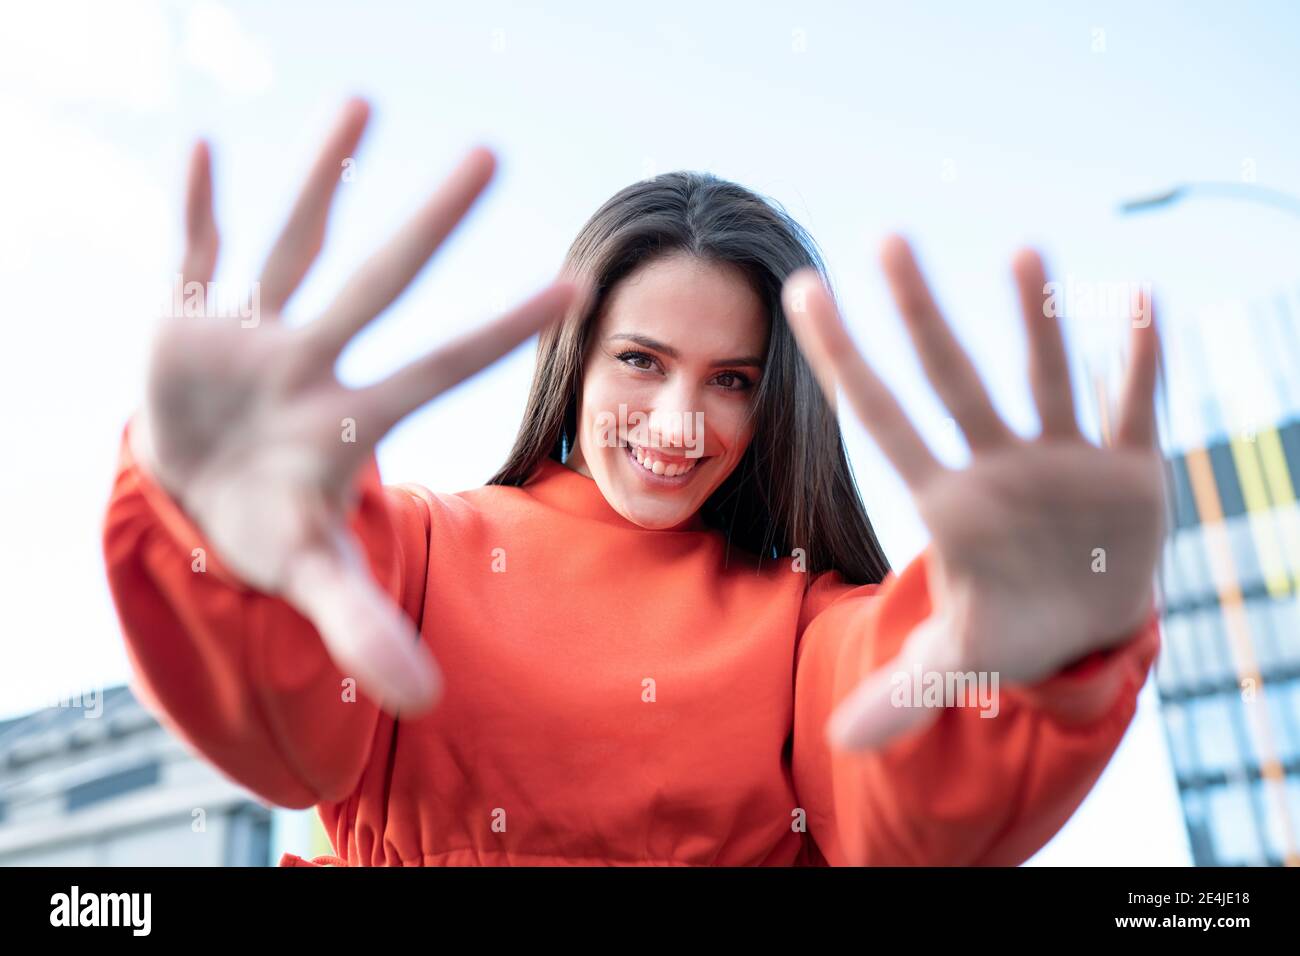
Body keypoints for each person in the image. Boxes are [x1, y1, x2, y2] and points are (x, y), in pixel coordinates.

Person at [101, 98, 1166, 866]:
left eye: (732, 380)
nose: (675, 424)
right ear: (573, 359)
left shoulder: (805, 622)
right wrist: (210, 538)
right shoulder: (421, 552)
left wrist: (1043, 666)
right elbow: (285, 735)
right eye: (640, 360)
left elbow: (901, 801)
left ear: (777, 400)